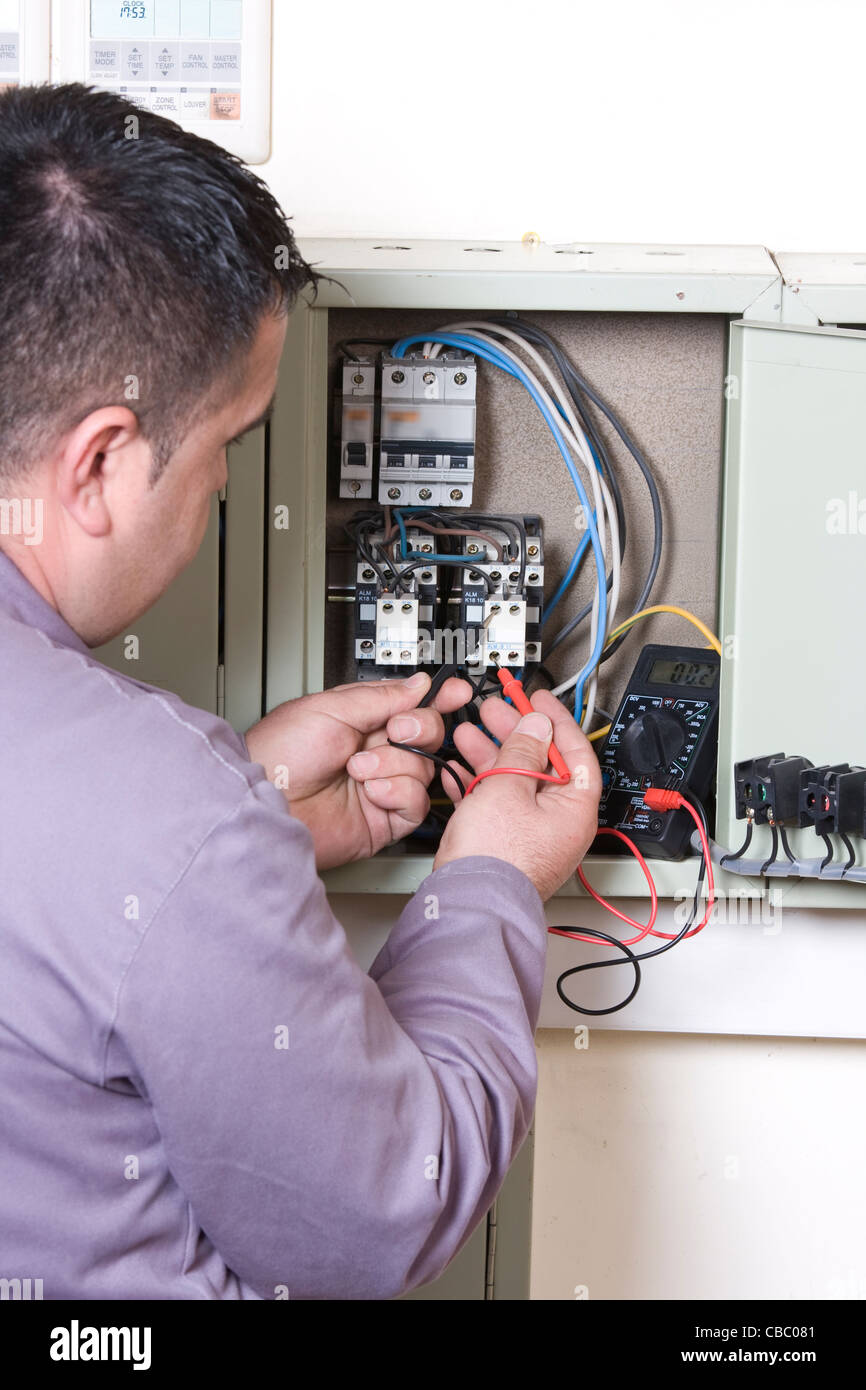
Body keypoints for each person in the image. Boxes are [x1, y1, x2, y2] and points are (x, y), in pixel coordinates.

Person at [0, 83, 601, 1300]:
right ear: (104, 461)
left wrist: (246, 804)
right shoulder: (159, 813)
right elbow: (382, 1213)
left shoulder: (158, 809)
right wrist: (486, 879)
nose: (223, 484)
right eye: (232, 440)